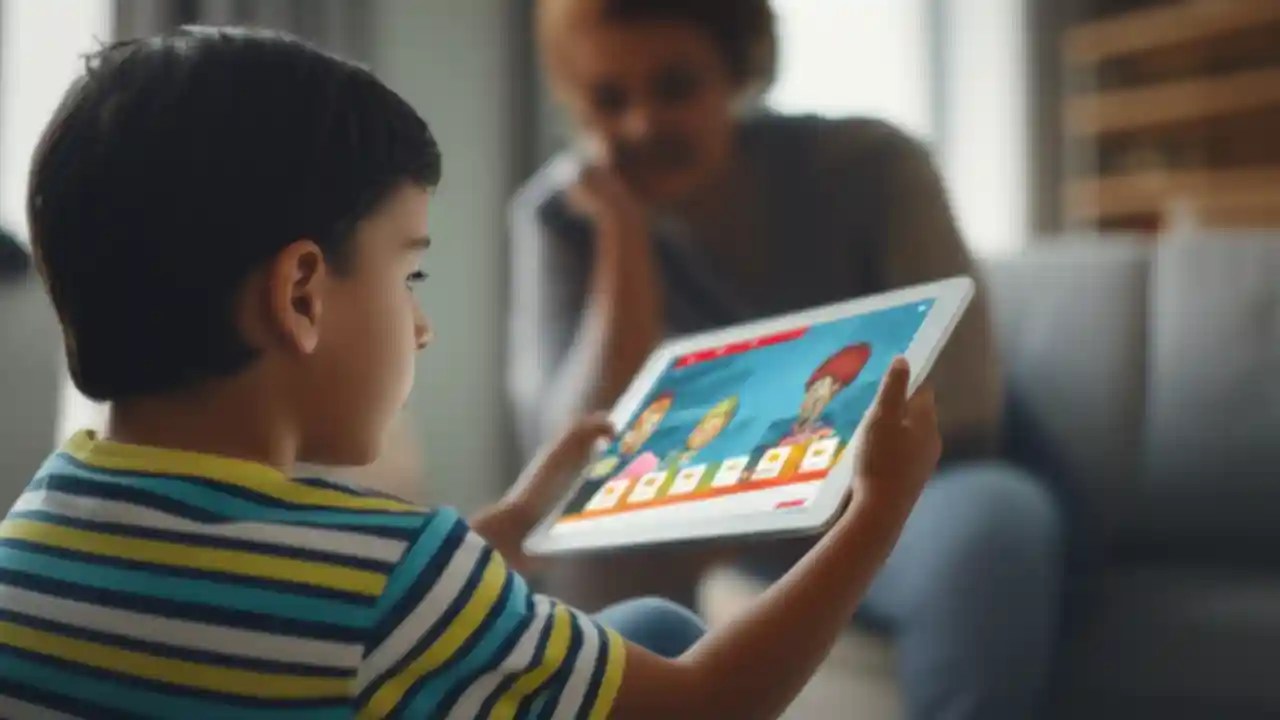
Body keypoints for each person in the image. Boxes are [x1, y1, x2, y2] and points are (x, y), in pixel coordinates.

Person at [0, 27, 943, 719]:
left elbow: (339, 604)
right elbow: (705, 705)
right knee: (657, 634)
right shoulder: (394, 574)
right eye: (408, 272)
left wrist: (521, 514)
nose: (419, 327)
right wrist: (876, 511)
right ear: (301, 294)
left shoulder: (30, 536)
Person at [507, 1, 1065, 717]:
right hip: (743, 504)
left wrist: (783, 485)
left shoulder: (874, 165)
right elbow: (570, 455)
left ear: (737, 70)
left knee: (995, 522)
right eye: (609, 100)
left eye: (676, 87)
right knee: (582, 553)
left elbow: (968, 405)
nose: (643, 126)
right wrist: (622, 236)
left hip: (916, 481)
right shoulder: (558, 216)